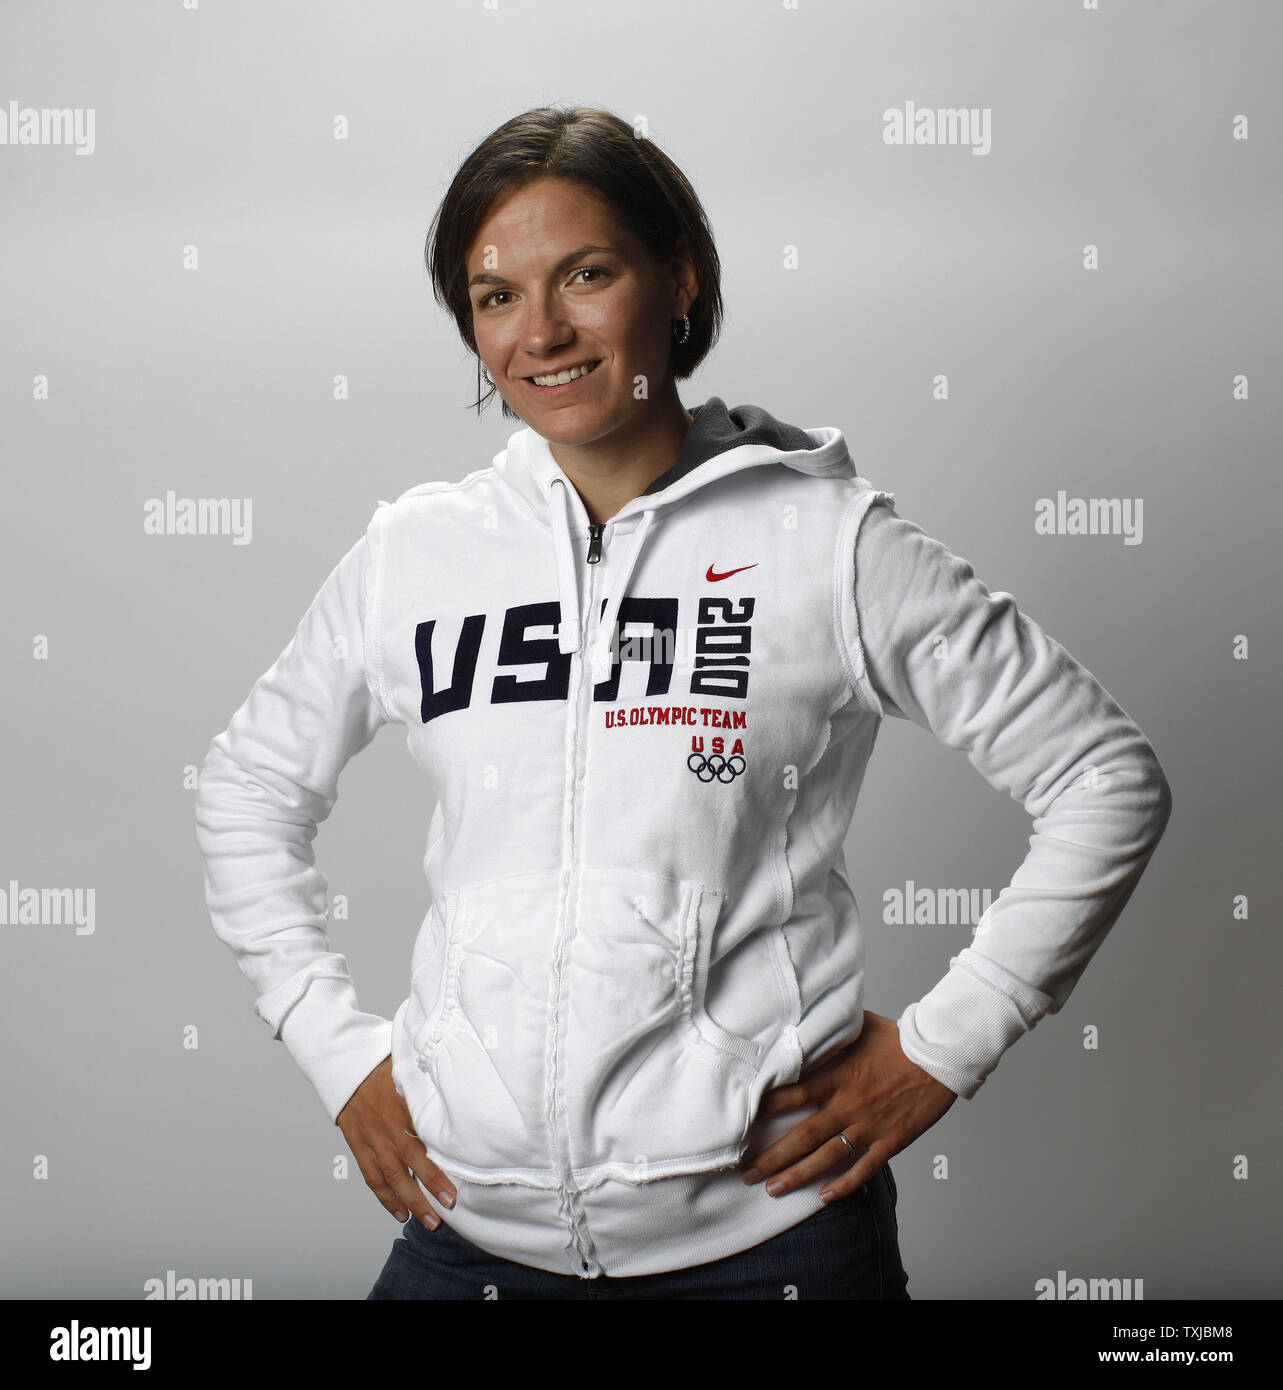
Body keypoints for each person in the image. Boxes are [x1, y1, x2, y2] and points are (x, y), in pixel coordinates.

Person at [193, 105, 1173, 1301]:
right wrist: (338, 1050)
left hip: (766, 1248)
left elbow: (1102, 776)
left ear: (678, 279)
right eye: (495, 295)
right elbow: (246, 788)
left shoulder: (827, 545)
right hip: (467, 1238)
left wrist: (943, 1044)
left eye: (586, 275)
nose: (540, 332)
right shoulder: (417, 554)